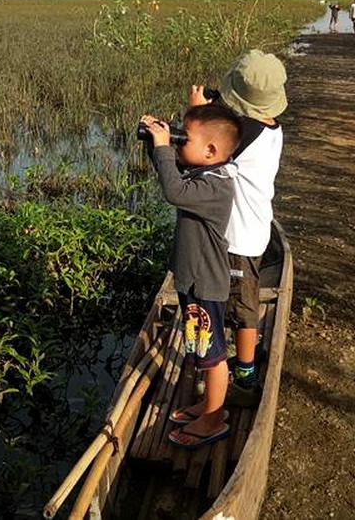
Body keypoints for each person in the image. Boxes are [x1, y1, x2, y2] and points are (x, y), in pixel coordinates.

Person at [139, 103, 241, 450]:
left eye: (185, 138)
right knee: (201, 348)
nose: (179, 143)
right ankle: (208, 406)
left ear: (211, 151)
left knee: (212, 356)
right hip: (194, 281)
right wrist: (157, 143)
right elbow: (172, 173)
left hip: (206, 285)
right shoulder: (207, 173)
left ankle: (213, 419)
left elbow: (173, 191)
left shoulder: (218, 186)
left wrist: (165, 148)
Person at [189, 49, 286, 399]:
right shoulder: (270, 129)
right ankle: (242, 365)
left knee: (237, 309)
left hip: (236, 243)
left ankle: (237, 374)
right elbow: (237, 123)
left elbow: (202, 152)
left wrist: (199, 111)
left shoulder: (243, 135)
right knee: (245, 303)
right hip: (257, 234)